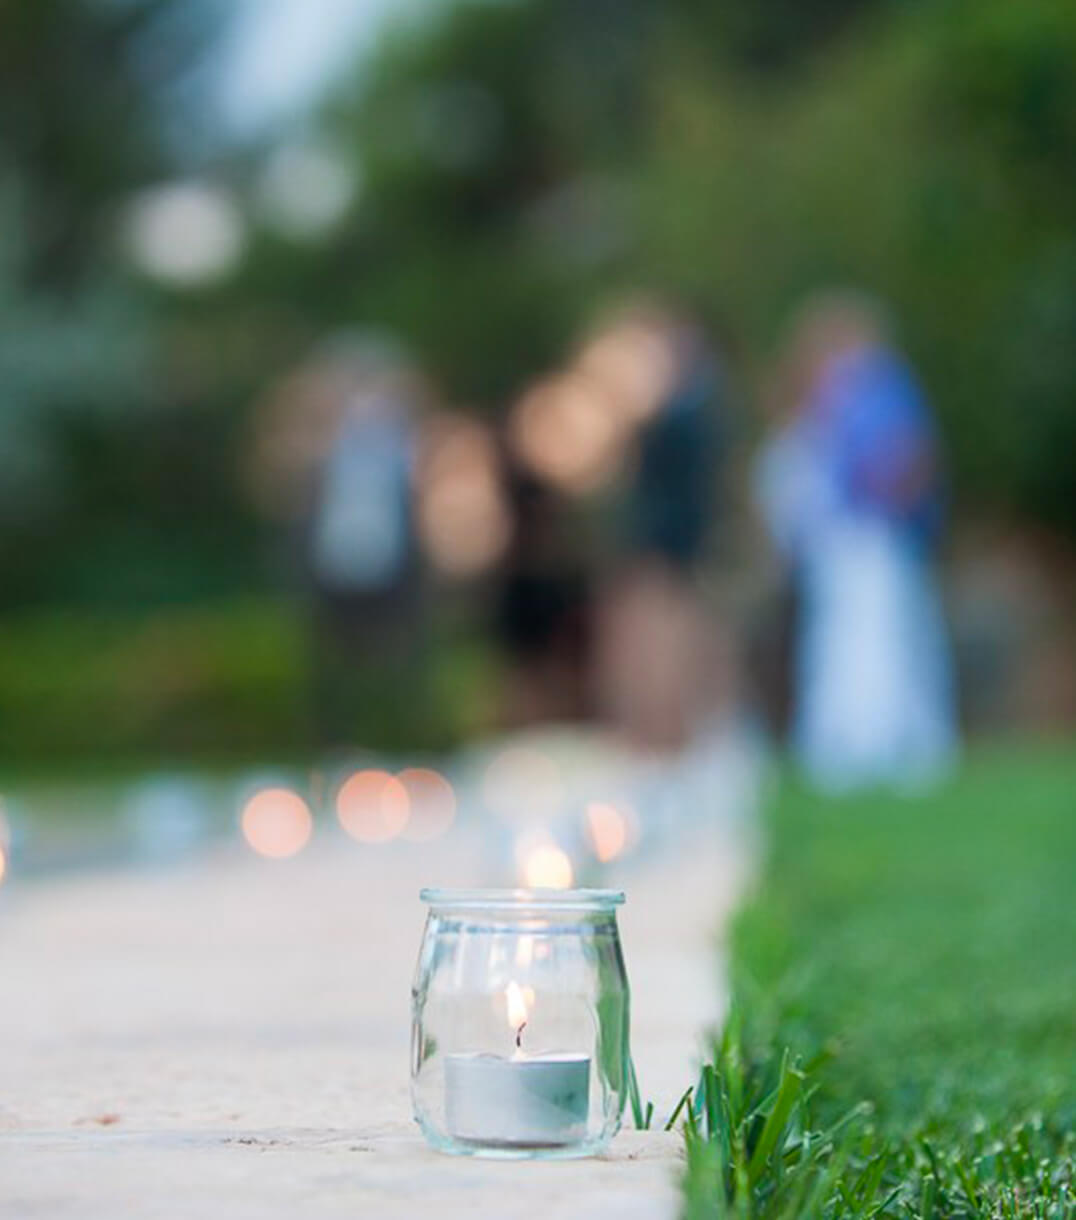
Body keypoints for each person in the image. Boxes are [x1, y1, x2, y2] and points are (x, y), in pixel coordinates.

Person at [755, 292, 957, 790]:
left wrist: (886, 507)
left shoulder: (878, 390)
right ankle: (855, 744)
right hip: (846, 541)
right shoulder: (840, 398)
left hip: (870, 535)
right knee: (854, 642)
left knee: (874, 642)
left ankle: (875, 745)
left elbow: (905, 461)